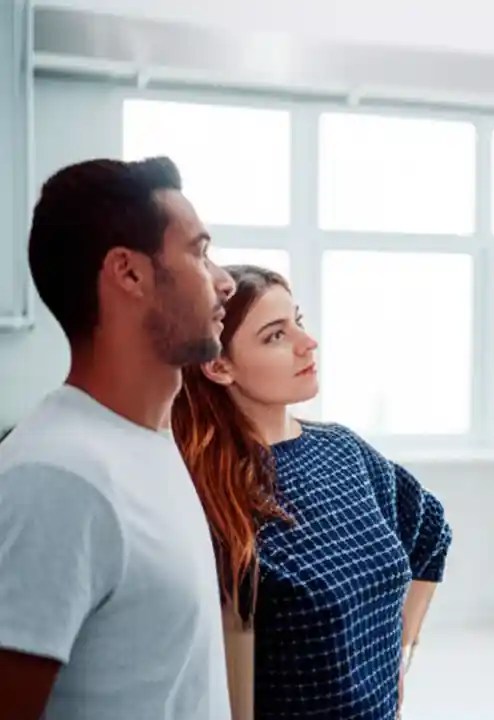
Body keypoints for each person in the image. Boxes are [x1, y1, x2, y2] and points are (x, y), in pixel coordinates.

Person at [0, 157, 236, 719]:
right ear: (128, 273)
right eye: (199, 253)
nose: (224, 279)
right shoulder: (57, 476)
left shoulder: (148, 441)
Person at [170, 264, 453, 720]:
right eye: (275, 336)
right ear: (219, 366)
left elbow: (431, 532)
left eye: (297, 321)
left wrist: (401, 652)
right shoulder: (203, 491)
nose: (308, 342)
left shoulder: (343, 450)